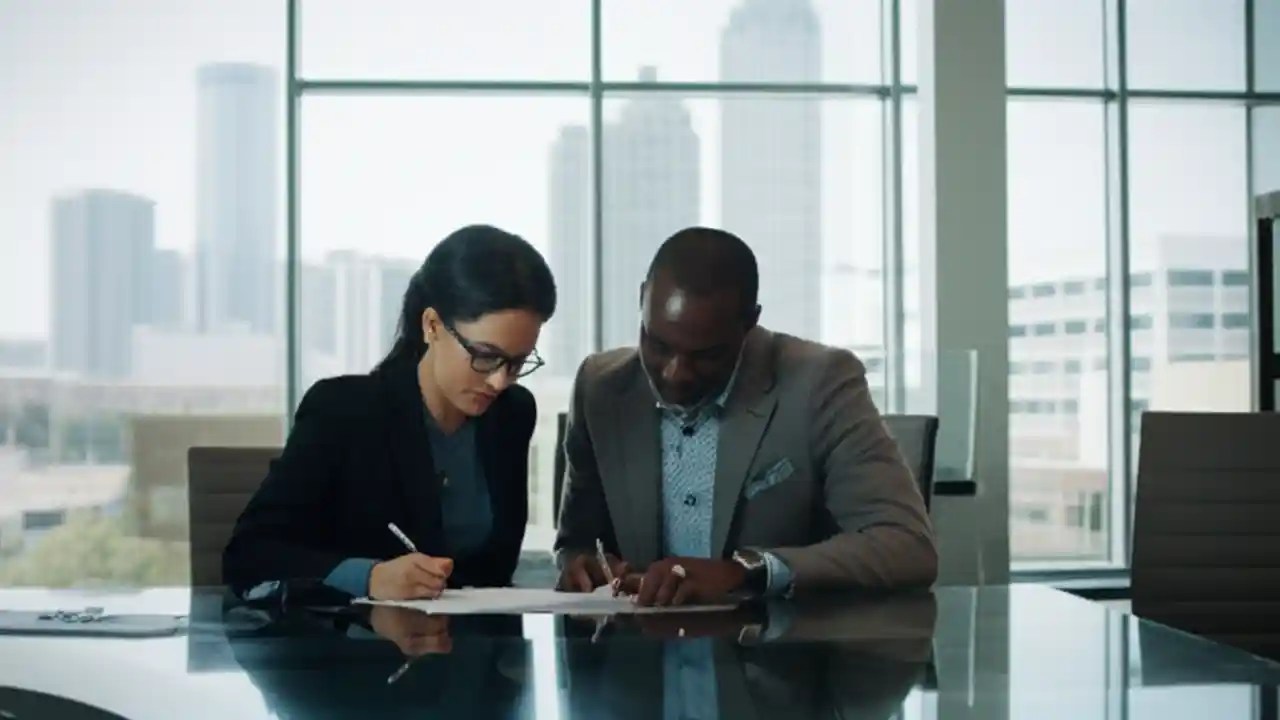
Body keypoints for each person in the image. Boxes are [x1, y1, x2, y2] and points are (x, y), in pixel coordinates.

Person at [554, 227, 936, 605]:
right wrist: (583, 565)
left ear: (750, 321)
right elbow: (577, 543)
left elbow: (907, 546)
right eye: (658, 346)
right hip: (641, 640)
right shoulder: (600, 388)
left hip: (782, 640)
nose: (675, 374)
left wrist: (748, 572)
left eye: (706, 356)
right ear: (642, 299)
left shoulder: (820, 384)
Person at [223, 224, 556, 600]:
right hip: (358, 634)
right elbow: (249, 554)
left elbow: (494, 567)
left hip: (473, 633)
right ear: (432, 326)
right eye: (485, 356)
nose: (499, 381)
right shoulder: (343, 411)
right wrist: (370, 577)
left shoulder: (513, 413)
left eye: (517, 362)